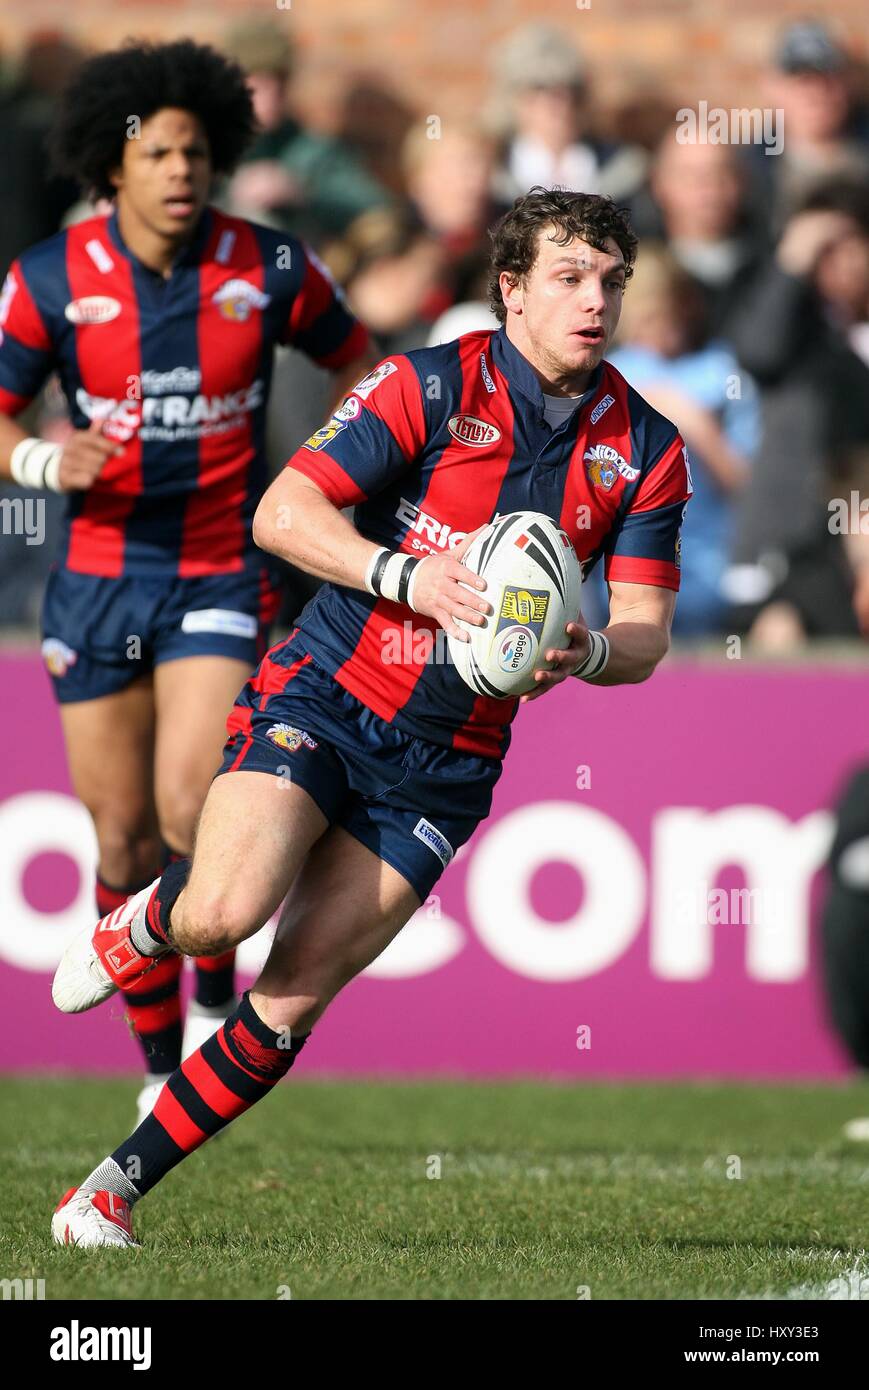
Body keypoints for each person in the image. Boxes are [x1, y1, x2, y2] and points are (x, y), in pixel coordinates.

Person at [48, 187, 692, 1248]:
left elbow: (646, 635)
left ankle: (106, 1192)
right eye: (569, 278)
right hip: (328, 691)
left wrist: (576, 649)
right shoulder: (427, 381)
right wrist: (405, 576)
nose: (594, 301)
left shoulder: (643, 445)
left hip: (448, 760)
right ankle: (148, 921)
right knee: (222, 915)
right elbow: (282, 512)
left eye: (611, 281)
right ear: (512, 290)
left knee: (292, 997)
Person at [0, 39, 370, 1125]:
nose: (178, 170)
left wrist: (333, 470)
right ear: (108, 169)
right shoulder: (48, 280)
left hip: (216, 569)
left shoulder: (268, 267)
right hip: (95, 580)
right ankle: (161, 1066)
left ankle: (214, 990)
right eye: (156, 152)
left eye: (195, 151)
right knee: (117, 835)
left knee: (184, 802)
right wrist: (40, 462)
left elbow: (360, 360)